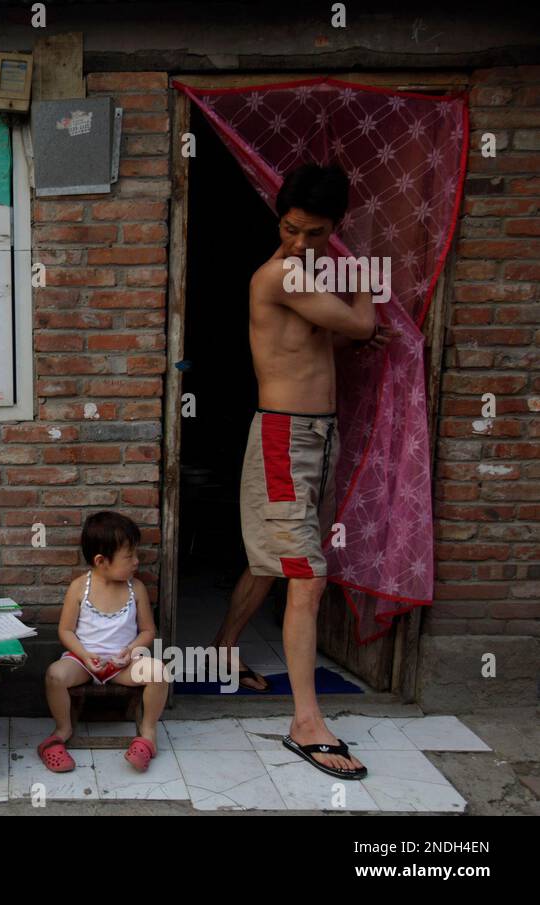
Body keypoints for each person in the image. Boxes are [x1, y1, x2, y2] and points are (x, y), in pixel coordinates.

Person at [223, 162, 388, 779]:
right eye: (290, 228)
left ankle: (220, 651)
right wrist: (368, 279)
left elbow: (319, 343)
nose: (297, 243)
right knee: (306, 574)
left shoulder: (308, 275)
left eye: (314, 233)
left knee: (283, 559)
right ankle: (306, 724)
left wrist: (347, 334)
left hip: (315, 434)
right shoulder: (281, 274)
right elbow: (363, 322)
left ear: (332, 229)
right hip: (283, 437)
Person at [39, 511, 169, 774]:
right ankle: (62, 729)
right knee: (54, 675)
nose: (136, 561)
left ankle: (147, 733)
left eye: (136, 554)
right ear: (101, 561)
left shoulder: (137, 588)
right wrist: (85, 656)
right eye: (129, 556)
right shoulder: (79, 587)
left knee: (159, 672)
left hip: (122, 664)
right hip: (84, 662)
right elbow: (65, 631)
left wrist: (130, 652)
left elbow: (147, 631)